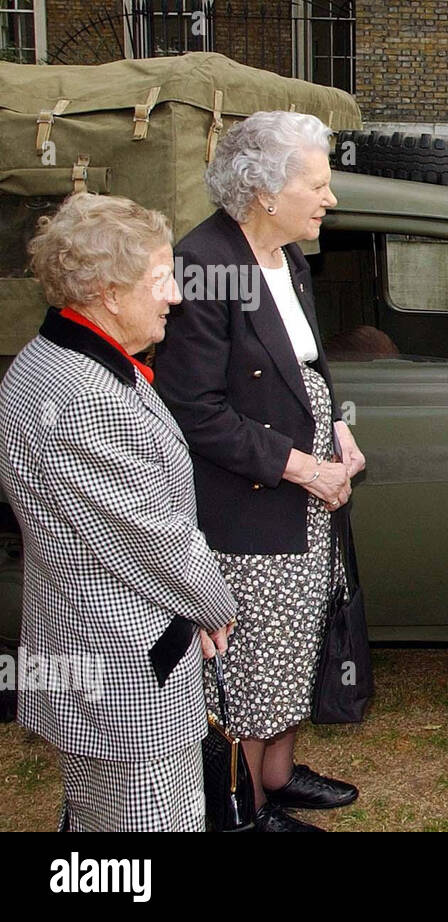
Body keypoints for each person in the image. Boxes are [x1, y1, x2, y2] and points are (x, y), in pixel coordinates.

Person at [154, 111, 365, 833]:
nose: (329, 198)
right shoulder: (205, 262)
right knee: (251, 659)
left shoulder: (289, 255)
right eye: (318, 184)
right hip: (246, 501)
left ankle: (278, 770)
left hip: (304, 488)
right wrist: (305, 467)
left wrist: (339, 440)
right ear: (266, 192)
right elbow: (194, 408)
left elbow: (305, 368)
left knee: (296, 636)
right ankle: (249, 805)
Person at [0, 193, 237, 831]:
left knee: (99, 817)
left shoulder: (46, 360)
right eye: (161, 279)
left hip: (90, 648)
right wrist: (216, 607)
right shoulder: (86, 396)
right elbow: (151, 540)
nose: (177, 296)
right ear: (108, 292)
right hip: (125, 669)